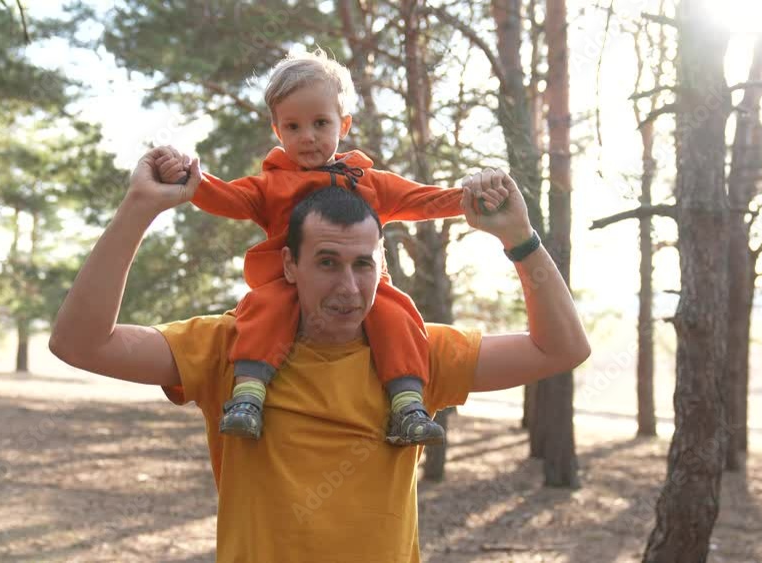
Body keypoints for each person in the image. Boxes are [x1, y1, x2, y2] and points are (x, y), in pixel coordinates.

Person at [48, 147, 590, 562]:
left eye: (363, 266)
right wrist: (139, 209)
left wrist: (519, 239)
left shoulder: (418, 352)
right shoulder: (228, 348)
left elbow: (561, 348)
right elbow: (80, 343)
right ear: (288, 266)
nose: (350, 289)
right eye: (327, 262)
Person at [150, 48, 507, 446]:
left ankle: (408, 403)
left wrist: (470, 197)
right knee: (261, 309)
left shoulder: (369, 182)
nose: (307, 137)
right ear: (277, 131)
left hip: (359, 290)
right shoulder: (271, 186)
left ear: (344, 123)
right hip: (287, 283)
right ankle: (248, 396)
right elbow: (223, 196)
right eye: (293, 126)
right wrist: (187, 176)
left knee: (397, 312)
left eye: (320, 123)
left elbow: (423, 199)